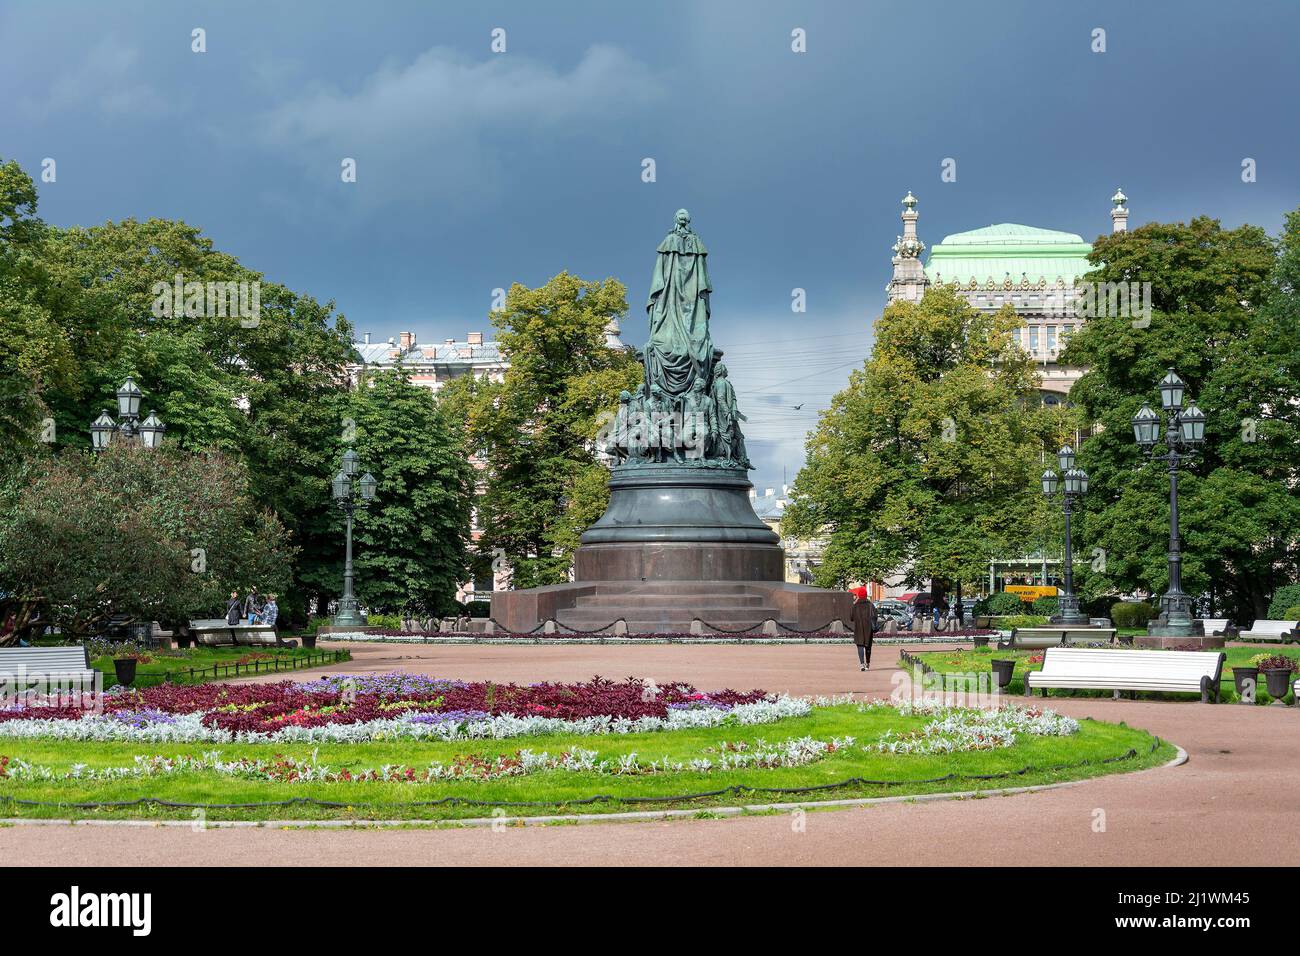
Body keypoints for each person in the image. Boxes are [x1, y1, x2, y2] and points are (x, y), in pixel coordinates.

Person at [850, 592, 877, 671]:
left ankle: (862, 664)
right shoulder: (870, 605)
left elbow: (851, 618)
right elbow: (875, 616)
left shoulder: (855, 605)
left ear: (858, 595)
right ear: (866, 595)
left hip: (858, 629)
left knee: (860, 646)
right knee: (868, 647)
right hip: (868, 629)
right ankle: (867, 663)